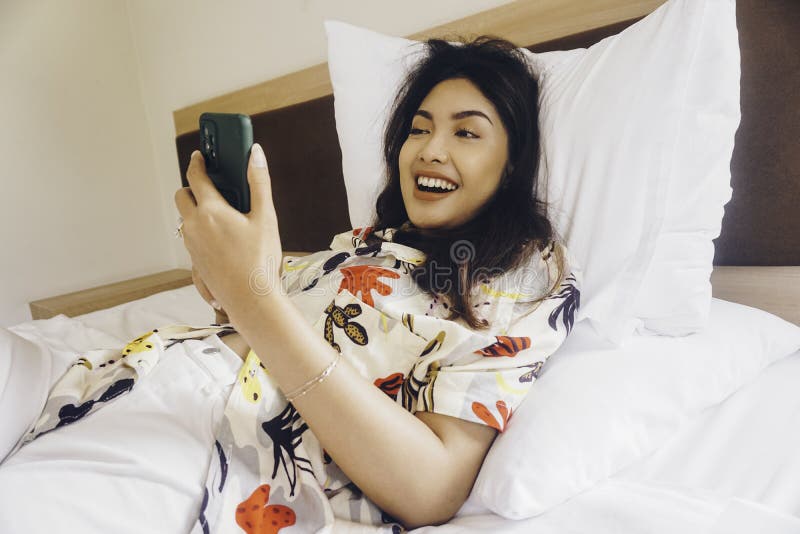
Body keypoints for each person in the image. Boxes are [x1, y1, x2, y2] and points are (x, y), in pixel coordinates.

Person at [2, 36, 580, 532]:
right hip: (121, 373)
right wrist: (230, 288)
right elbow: (265, 316)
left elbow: (429, 489)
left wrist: (255, 299)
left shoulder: (523, 272)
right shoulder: (360, 245)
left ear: (511, 165)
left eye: (467, 134)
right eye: (420, 129)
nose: (430, 149)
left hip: (224, 434)